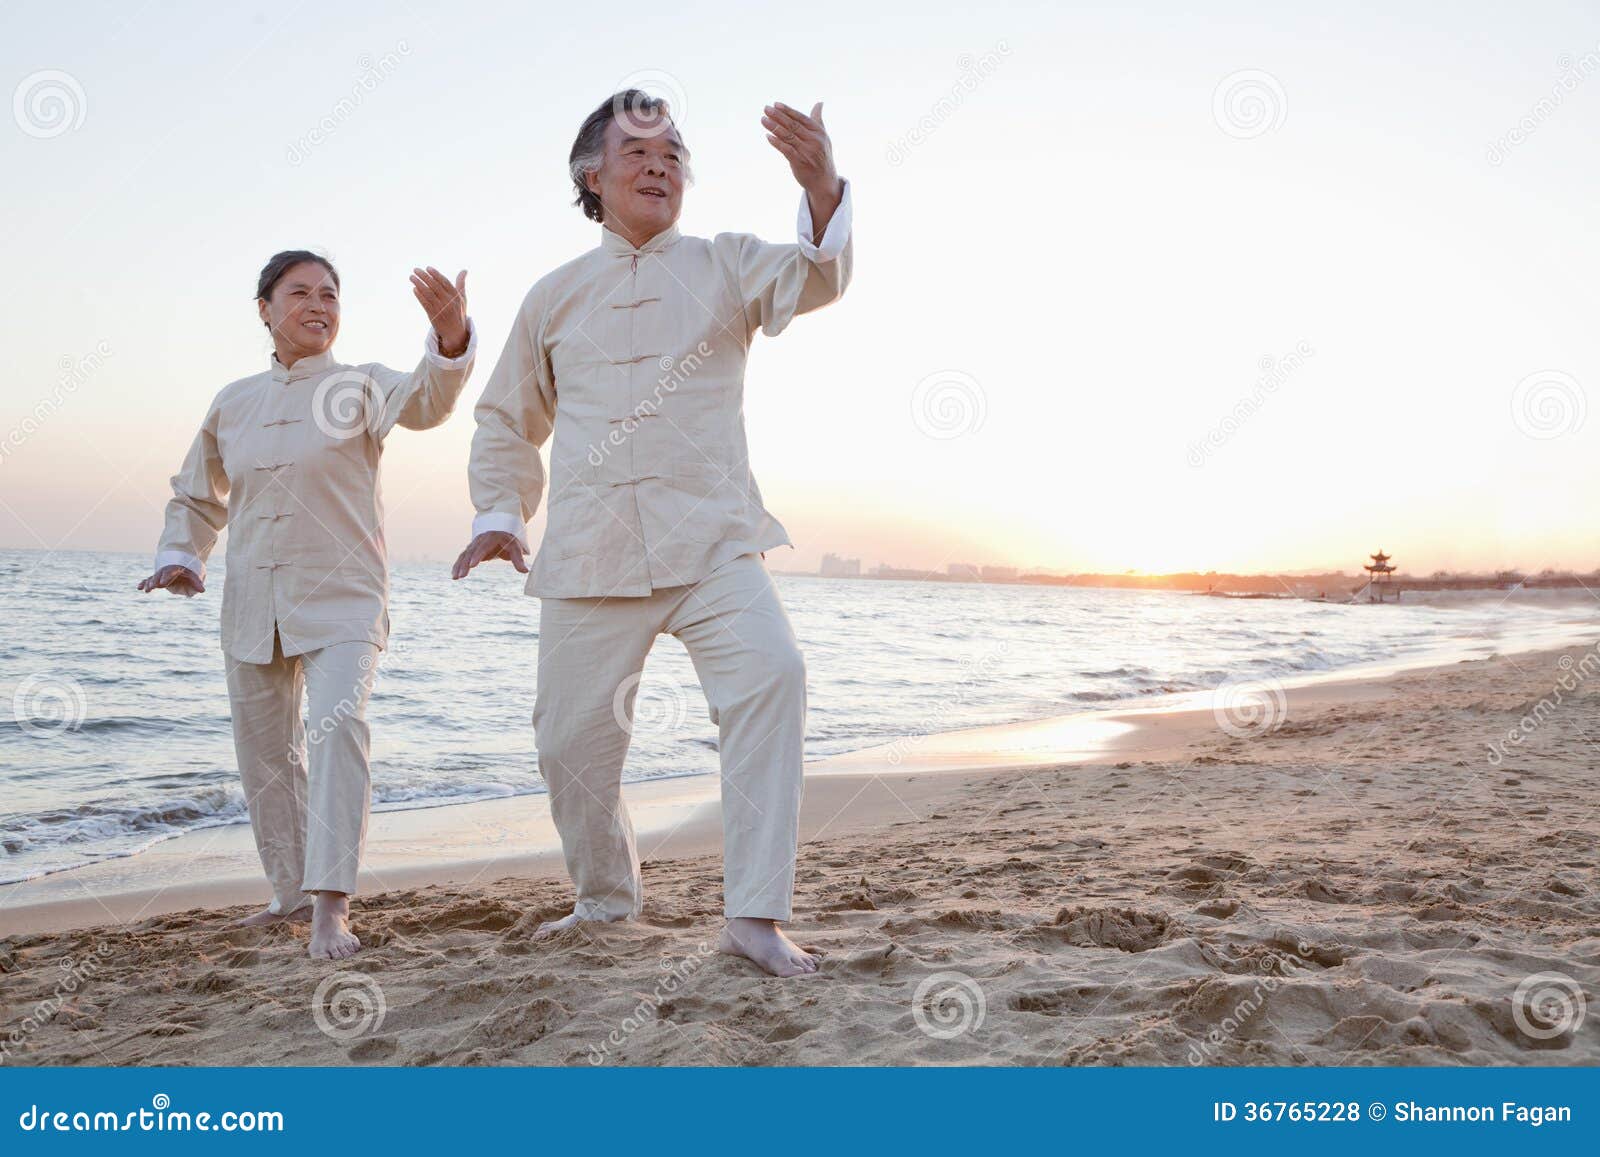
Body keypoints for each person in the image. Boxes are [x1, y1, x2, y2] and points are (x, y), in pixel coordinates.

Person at [453, 90, 852, 977]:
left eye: (673, 152)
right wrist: (499, 514)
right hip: (590, 551)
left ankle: (753, 915)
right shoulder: (553, 296)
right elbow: (505, 419)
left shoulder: (727, 263)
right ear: (591, 178)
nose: (659, 164)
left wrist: (821, 185)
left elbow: (815, 275)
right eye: (636, 152)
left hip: (713, 541)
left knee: (772, 675)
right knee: (568, 742)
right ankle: (603, 897)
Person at [138, 250, 476, 959]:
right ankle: (288, 892)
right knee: (266, 756)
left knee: (336, 729)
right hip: (253, 603)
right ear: (265, 307)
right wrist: (181, 555)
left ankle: (331, 908)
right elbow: (198, 493)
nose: (319, 305)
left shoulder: (360, 386)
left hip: (346, 601)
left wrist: (449, 337)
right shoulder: (233, 400)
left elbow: (427, 399)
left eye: (330, 294)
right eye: (301, 293)